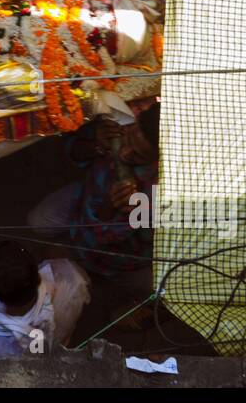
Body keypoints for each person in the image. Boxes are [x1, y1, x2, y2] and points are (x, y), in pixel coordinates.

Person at [27, 101, 160, 281]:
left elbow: (103, 237)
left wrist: (110, 206)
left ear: (159, 160)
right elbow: (70, 150)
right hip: (86, 194)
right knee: (38, 222)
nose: (124, 153)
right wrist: (95, 143)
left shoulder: (150, 197)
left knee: (76, 262)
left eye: (139, 156)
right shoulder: (123, 121)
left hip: (109, 247)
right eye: (128, 140)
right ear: (136, 120)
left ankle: (81, 264)